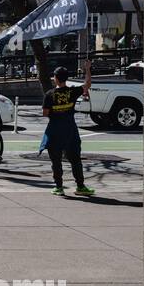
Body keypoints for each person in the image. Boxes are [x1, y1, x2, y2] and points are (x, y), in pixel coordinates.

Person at [42, 63, 96, 197]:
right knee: (75, 159)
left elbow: (45, 113)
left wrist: (56, 111)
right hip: (70, 130)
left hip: (54, 131)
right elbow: (87, 84)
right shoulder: (72, 91)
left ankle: (59, 187)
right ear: (66, 78)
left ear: (55, 78)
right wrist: (87, 69)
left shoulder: (49, 94)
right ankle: (80, 186)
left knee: (56, 160)